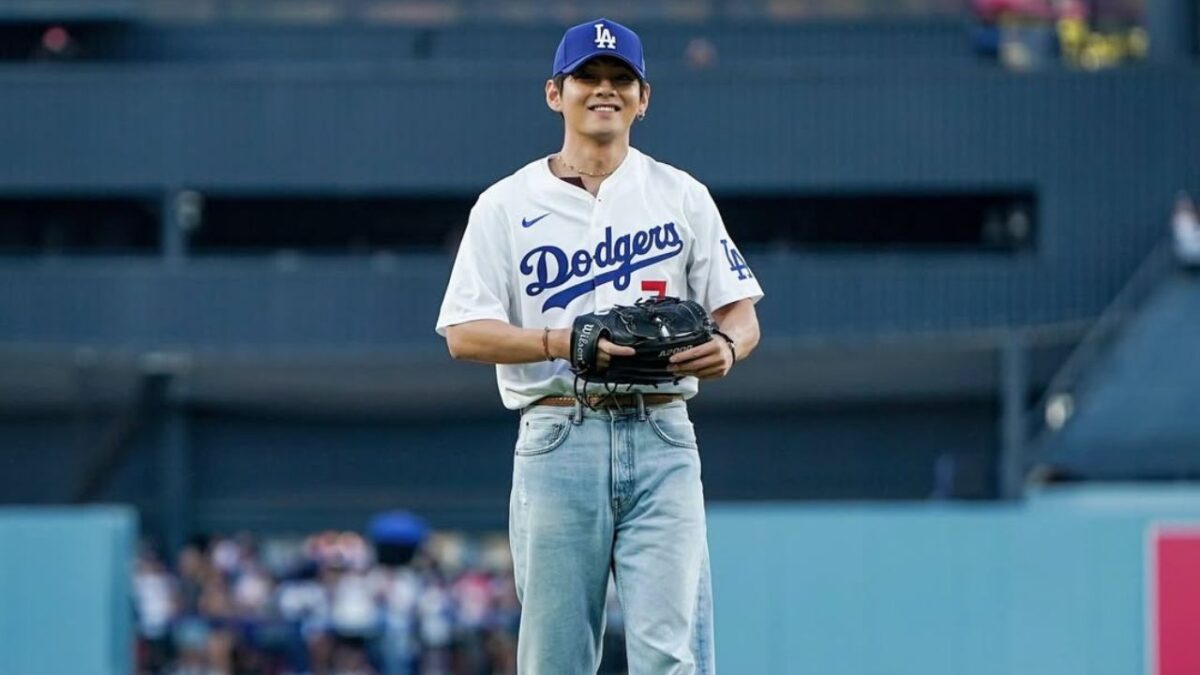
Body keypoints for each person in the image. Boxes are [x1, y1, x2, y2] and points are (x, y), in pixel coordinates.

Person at [435, 17, 763, 674]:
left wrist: (728, 346)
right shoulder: (504, 204)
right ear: (555, 93)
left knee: (671, 657)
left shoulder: (681, 195)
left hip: (662, 432)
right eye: (588, 76)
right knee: (556, 660)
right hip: (560, 430)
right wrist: (560, 340)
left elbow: (741, 312)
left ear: (644, 99)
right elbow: (464, 333)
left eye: (621, 78)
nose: (605, 88)